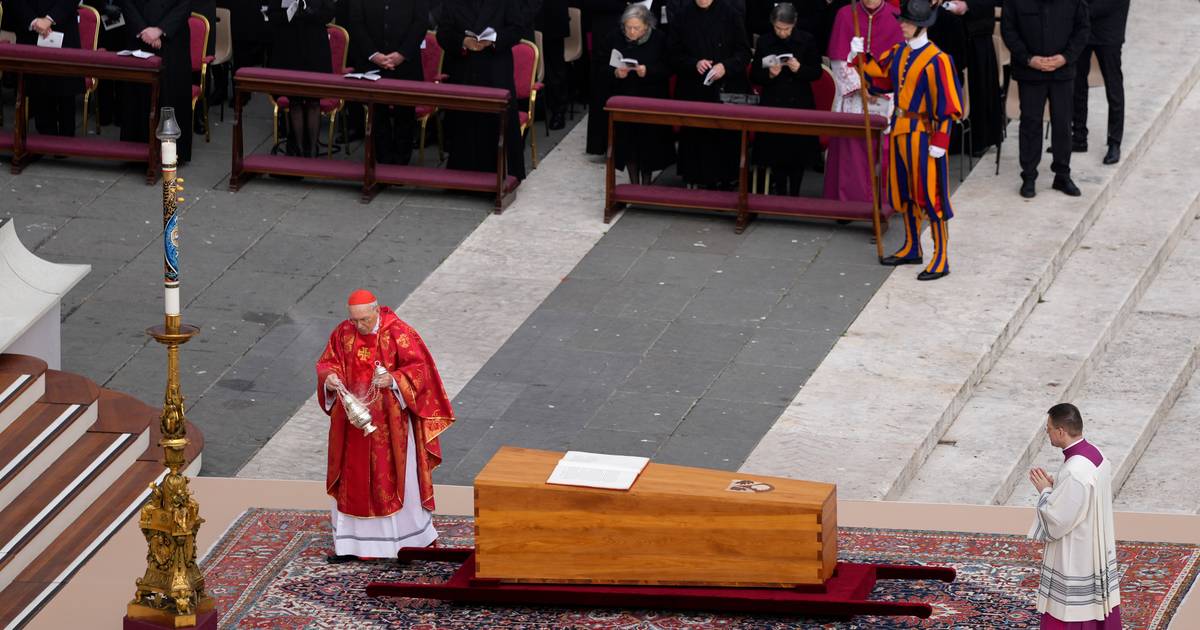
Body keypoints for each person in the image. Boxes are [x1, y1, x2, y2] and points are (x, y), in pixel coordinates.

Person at [316, 289, 455, 563]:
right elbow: (328, 362)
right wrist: (329, 378)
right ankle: (350, 545)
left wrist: (393, 380)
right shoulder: (343, 332)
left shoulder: (399, 333)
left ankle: (404, 543)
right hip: (353, 424)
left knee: (390, 481)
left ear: (377, 311)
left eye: (364, 320)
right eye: (354, 320)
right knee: (352, 479)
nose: (358, 326)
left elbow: (420, 370)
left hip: (392, 426)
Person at [851, 0, 962, 281]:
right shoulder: (899, 51)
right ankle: (912, 246)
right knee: (905, 192)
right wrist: (859, 57)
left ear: (922, 25)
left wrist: (941, 141)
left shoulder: (939, 59)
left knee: (930, 195)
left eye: (907, 22)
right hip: (899, 129)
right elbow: (880, 80)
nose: (901, 24)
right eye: (902, 20)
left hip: (924, 135)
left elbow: (949, 105)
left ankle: (941, 256)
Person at [1027, 403, 1122, 629]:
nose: (1046, 432)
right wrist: (1058, 487)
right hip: (1094, 543)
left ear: (1061, 431)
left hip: (1078, 553)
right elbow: (1080, 500)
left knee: (1072, 612)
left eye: (1048, 428)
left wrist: (1045, 492)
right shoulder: (1096, 454)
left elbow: (1058, 520)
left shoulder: (1074, 471)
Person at [1001, 0, 1088, 198]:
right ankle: (1029, 177)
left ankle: (1062, 175)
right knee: (1030, 124)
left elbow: (1083, 29)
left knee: (1063, 124)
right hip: (1029, 72)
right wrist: (1029, 59)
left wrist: (1065, 57)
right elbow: (1009, 30)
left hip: (1063, 72)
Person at [436, 0, 527, 181]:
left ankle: (503, 176)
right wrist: (463, 41)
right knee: (465, 123)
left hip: (496, 71)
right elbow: (443, 33)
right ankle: (462, 177)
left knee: (497, 124)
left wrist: (493, 40)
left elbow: (517, 29)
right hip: (464, 71)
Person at [824, 0, 902, 206]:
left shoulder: (896, 17)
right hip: (854, 97)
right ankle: (847, 204)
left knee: (884, 151)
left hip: (885, 98)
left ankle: (883, 204)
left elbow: (901, 59)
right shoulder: (844, 14)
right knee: (851, 153)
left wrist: (879, 86)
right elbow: (838, 59)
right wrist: (860, 87)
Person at [668, 0, 750, 189]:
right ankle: (695, 177)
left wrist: (726, 66)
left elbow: (744, 52)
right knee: (696, 133)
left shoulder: (731, 13)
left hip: (725, 85)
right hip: (693, 86)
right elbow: (672, 54)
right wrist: (694, 63)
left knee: (725, 136)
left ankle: (727, 179)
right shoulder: (682, 15)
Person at [750, 2, 821, 196]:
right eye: (778, 28)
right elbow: (755, 75)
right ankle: (779, 191)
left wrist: (800, 69)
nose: (782, 33)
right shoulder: (764, 41)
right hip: (773, 100)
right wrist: (770, 75)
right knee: (775, 153)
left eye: (786, 29)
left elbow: (816, 72)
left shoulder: (806, 40)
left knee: (797, 154)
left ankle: (795, 193)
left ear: (794, 23)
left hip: (799, 101)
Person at [347, 0, 429, 165]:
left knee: (405, 115)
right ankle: (383, 162)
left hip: (406, 63)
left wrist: (402, 54)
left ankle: (400, 163)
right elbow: (356, 22)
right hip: (371, 61)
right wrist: (373, 54)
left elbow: (420, 22)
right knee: (377, 114)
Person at [117, 0, 195, 162]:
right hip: (138, 38)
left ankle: (171, 153)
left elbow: (185, 4)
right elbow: (128, 4)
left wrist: (161, 30)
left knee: (170, 96)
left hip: (172, 42)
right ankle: (135, 152)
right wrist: (143, 30)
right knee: (138, 95)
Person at [609, 4, 674, 184]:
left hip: (651, 98)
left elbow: (669, 68)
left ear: (646, 26)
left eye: (636, 28)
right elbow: (603, 67)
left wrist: (648, 71)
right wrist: (616, 73)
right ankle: (633, 183)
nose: (630, 31)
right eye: (628, 27)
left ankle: (646, 183)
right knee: (628, 144)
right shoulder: (617, 38)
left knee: (648, 144)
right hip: (626, 98)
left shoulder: (659, 39)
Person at [267, 0, 335, 157]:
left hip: (315, 48)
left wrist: (309, 12)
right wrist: (291, 14)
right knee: (295, 101)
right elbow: (272, 15)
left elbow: (329, 13)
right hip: (290, 47)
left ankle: (311, 150)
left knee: (313, 100)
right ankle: (297, 149)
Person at [941, 0, 1003, 156]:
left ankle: (979, 140)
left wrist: (968, 5)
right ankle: (949, 139)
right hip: (945, 29)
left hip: (976, 32)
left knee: (978, 88)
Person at [13, 0, 82, 137]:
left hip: (64, 27)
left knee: (65, 89)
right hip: (31, 30)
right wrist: (34, 21)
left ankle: (65, 139)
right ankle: (44, 138)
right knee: (38, 87)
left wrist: (50, 19)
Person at [1072, 0, 1128, 165]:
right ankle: (1079, 136)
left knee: (1113, 88)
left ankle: (1114, 142)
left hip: (1109, 31)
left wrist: (1076, 12)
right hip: (1083, 30)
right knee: (1077, 85)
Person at [579, 0, 634, 157]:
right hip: (605, 29)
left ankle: (625, 143)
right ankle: (602, 143)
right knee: (603, 84)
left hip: (630, 26)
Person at [536, 0, 570, 130]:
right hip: (528, 16)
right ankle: (538, 107)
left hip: (553, 18)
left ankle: (559, 111)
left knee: (555, 68)